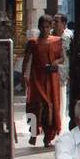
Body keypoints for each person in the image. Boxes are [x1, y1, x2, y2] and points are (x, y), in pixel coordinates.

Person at [21, 14, 65, 147]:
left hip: (51, 79)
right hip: (36, 79)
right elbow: (26, 59)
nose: (45, 29)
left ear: (50, 27)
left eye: (47, 26)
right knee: (36, 107)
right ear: (39, 27)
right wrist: (24, 76)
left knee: (49, 108)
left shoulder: (57, 41)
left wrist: (55, 62)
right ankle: (33, 134)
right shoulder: (33, 42)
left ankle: (48, 138)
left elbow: (62, 58)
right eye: (43, 26)